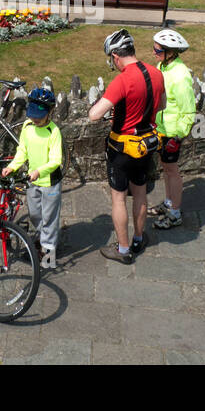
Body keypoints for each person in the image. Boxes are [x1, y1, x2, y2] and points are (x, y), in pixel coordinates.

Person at [89, 29, 164, 265]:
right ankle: (139, 238)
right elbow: (160, 105)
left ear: (115, 55)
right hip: (145, 145)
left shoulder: (122, 80)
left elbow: (94, 115)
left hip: (121, 149)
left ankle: (123, 249)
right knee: (140, 193)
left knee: (119, 199)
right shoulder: (156, 73)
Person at [1, 87, 63, 269]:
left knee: (50, 218)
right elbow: (22, 150)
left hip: (50, 183)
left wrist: (39, 171)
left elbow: (55, 161)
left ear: (50, 112)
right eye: (32, 114)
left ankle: (48, 256)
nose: (34, 118)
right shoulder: (27, 127)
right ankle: (44, 239)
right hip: (32, 181)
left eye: (39, 115)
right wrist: (12, 166)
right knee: (35, 214)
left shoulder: (54, 132)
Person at [148, 29, 196, 230]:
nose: (154, 53)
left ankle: (175, 213)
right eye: (155, 49)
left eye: (158, 50)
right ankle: (168, 203)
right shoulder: (163, 66)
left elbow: (189, 111)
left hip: (172, 133)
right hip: (160, 129)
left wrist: (178, 136)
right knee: (165, 169)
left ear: (170, 52)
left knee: (172, 171)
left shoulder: (181, 75)